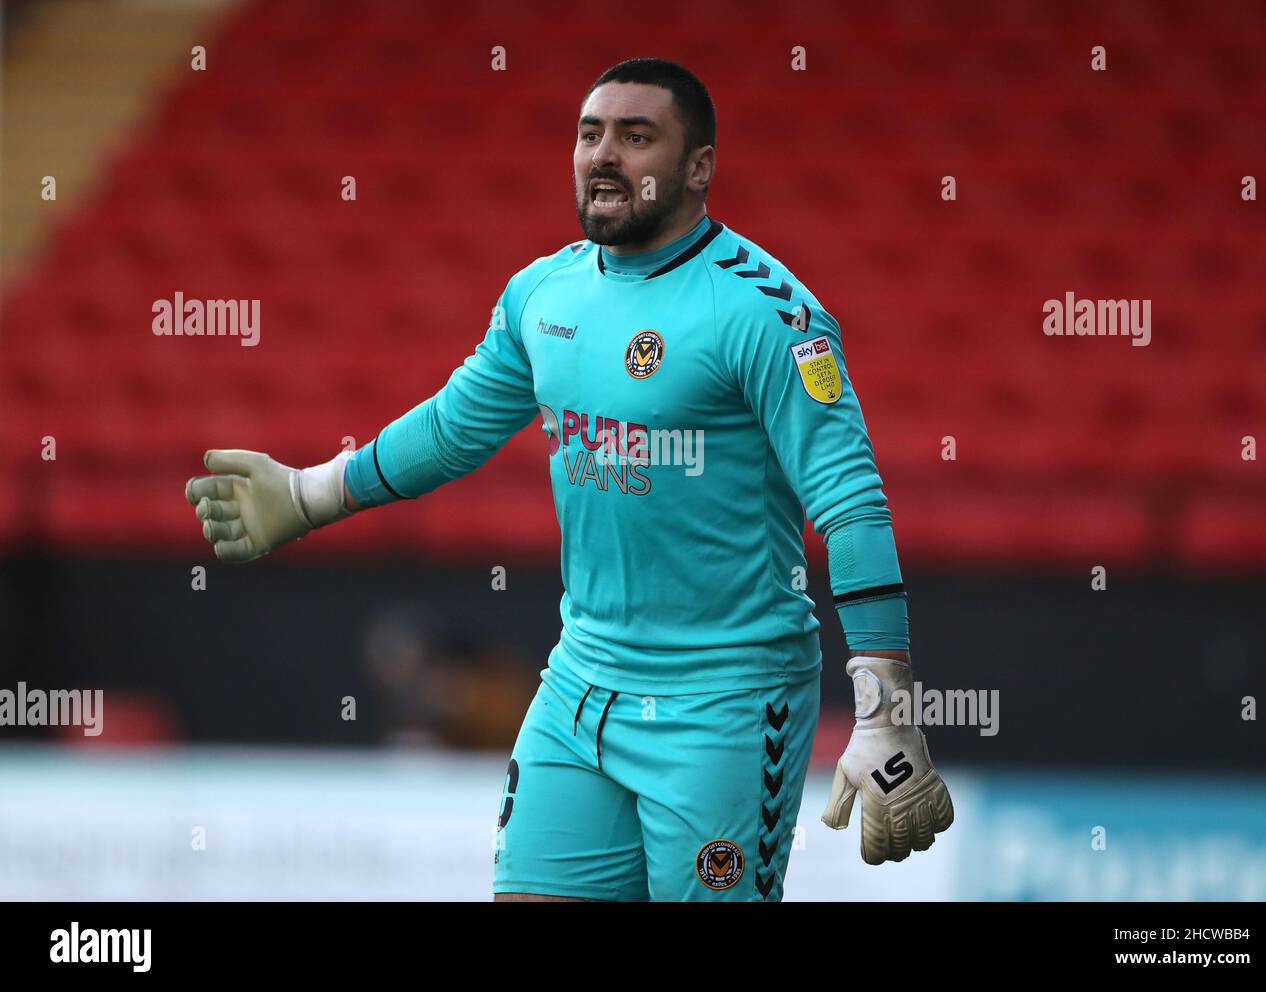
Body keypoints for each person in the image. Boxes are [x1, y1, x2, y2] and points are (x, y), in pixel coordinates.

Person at [184, 57, 953, 902]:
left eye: (636, 136)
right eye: (590, 134)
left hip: (725, 705)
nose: (604, 155)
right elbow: (451, 429)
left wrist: (885, 711)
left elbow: (851, 504)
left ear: (698, 168)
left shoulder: (772, 316)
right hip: (581, 683)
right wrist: (308, 495)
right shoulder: (541, 295)